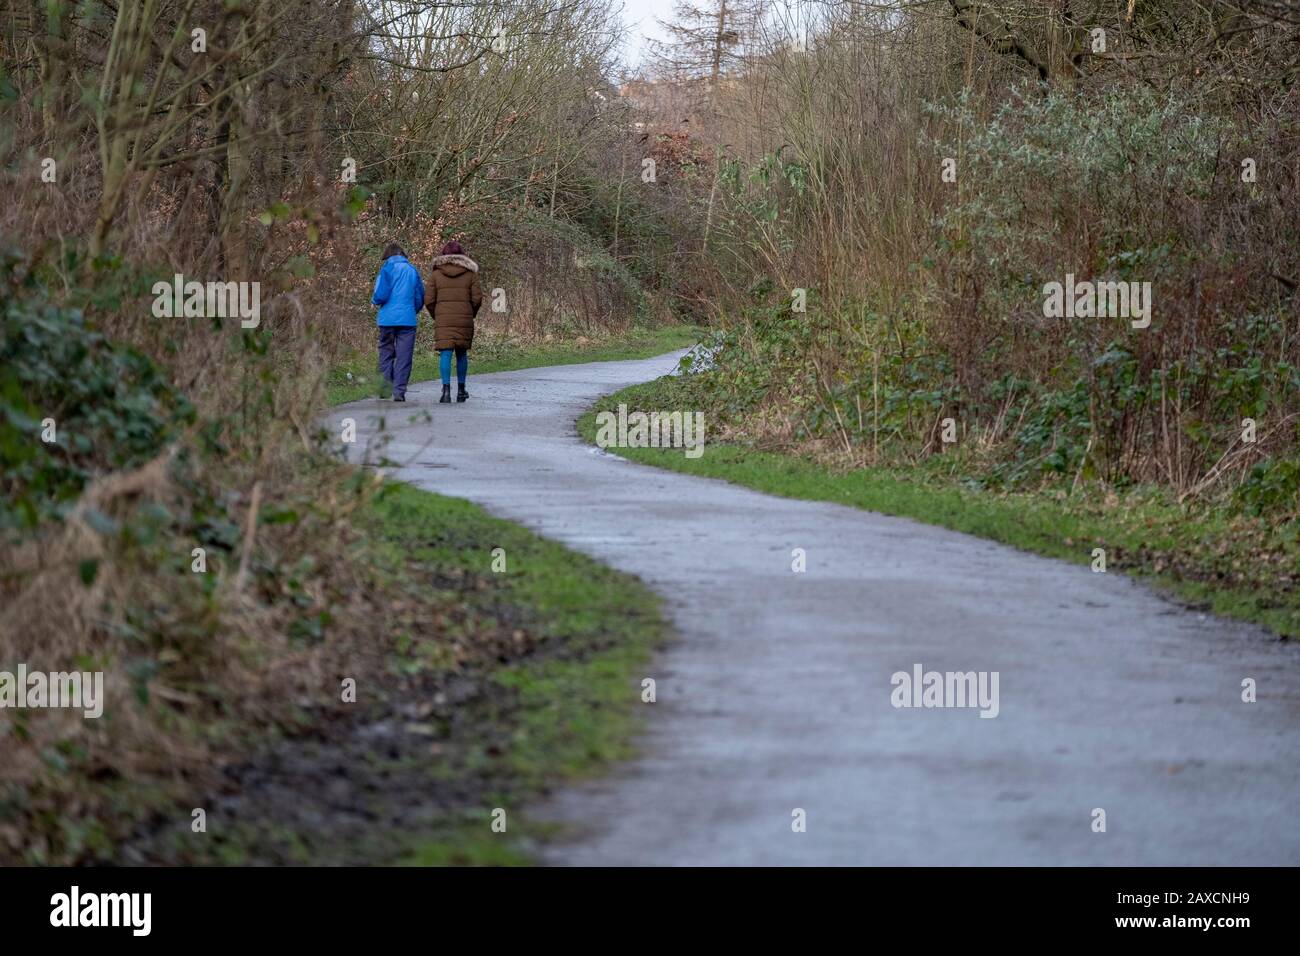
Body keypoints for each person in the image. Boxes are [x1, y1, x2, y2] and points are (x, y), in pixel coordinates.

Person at [426, 239, 482, 403]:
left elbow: (428, 300)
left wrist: (436, 314)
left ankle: (445, 392)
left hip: (443, 318)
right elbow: (477, 298)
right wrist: (470, 312)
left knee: (445, 352)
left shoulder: (436, 274)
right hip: (464, 317)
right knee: (462, 353)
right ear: (462, 255)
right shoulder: (470, 274)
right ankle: (461, 390)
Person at [370, 242, 424, 402]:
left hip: (387, 320)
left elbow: (381, 294)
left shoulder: (387, 269)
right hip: (407, 321)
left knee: (386, 353)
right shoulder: (412, 270)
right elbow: (420, 296)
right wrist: (412, 310)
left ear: (388, 255)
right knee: (404, 356)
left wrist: (374, 300)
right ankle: (399, 391)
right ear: (403, 254)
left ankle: (385, 388)